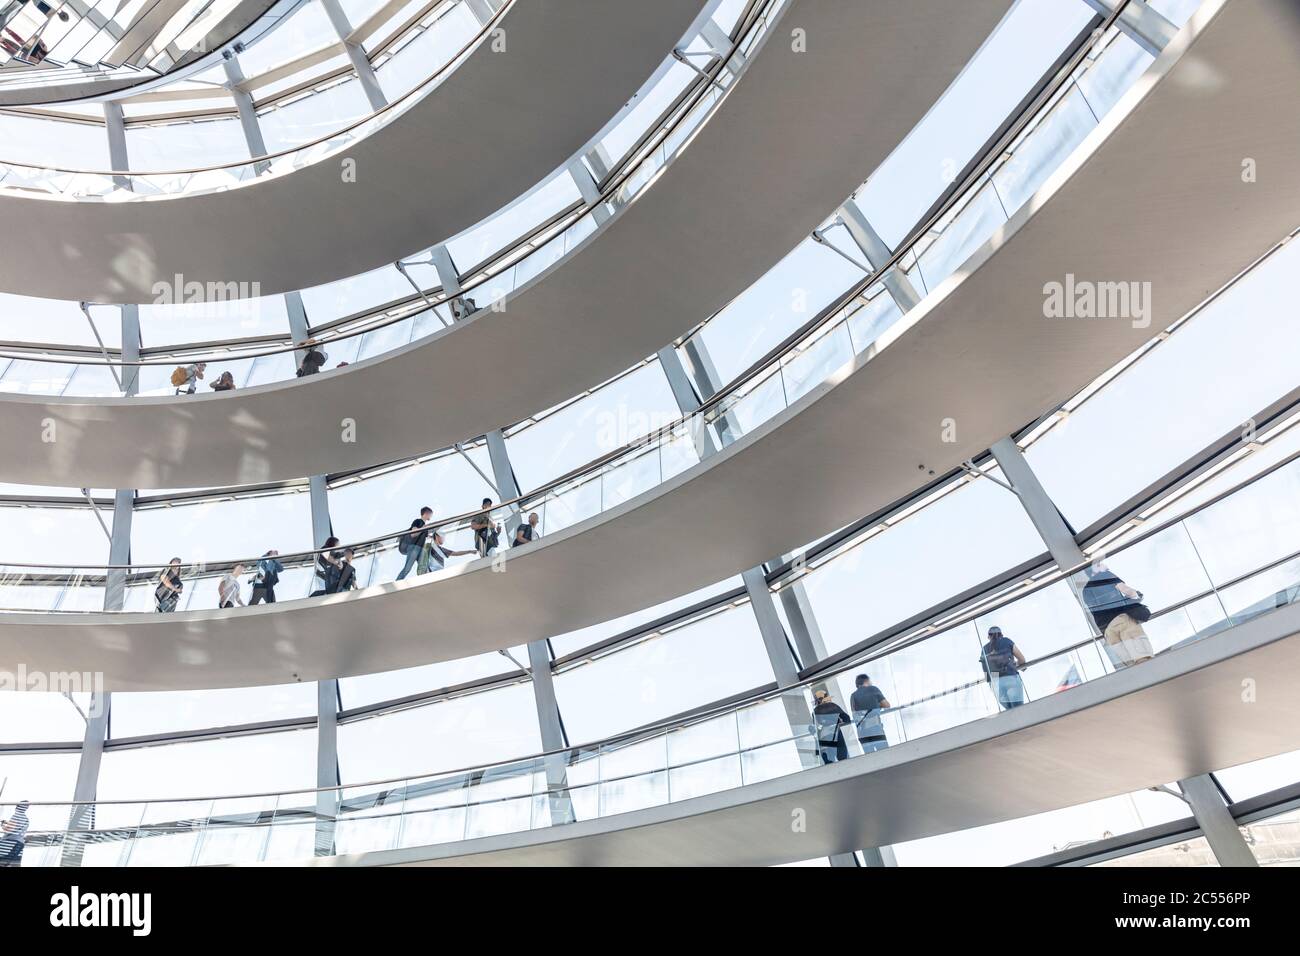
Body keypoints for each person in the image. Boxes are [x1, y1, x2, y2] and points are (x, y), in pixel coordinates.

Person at [1082, 561, 1154, 668]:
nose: (1106, 565)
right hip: (1122, 621)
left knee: (1132, 666)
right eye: (1101, 564)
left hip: (1108, 632)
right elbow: (1126, 590)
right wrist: (1137, 595)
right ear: (1096, 569)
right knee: (1143, 658)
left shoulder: (1085, 591)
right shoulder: (1105, 575)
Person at [980, 625, 1028, 710]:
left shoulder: (984, 649)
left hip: (995, 683)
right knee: (1019, 710)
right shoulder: (1006, 641)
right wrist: (1016, 665)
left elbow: (986, 673)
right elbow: (1022, 659)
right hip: (1010, 677)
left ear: (988, 637)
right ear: (1001, 634)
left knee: (1009, 713)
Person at [849, 673, 891, 753]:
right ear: (866, 681)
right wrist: (877, 706)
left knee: (870, 758)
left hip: (862, 732)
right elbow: (887, 705)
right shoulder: (873, 689)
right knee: (885, 754)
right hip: (875, 728)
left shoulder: (853, 696)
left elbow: (854, 713)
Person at [811, 689, 850, 763]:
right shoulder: (833, 706)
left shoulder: (815, 711)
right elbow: (847, 719)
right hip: (837, 735)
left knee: (829, 763)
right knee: (843, 760)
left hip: (824, 738)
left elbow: (815, 728)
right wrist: (839, 722)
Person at [396, 507, 433, 580]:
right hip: (414, 548)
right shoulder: (417, 521)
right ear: (426, 513)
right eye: (430, 514)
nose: (431, 516)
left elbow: (424, 537)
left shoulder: (424, 525)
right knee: (408, 568)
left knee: (423, 567)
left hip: (420, 549)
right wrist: (423, 528)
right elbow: (413, 534)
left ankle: (425, 581)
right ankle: (397, 582)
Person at [0, 801, 29, 868]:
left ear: (17, 806)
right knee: (15, 864)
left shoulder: (16, 815)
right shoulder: (26, 819)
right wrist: (6, 822)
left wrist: (2, 825)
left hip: (10, 843)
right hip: (19, 843)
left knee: (2, 862)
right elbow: (16, 826)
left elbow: (9, 829)